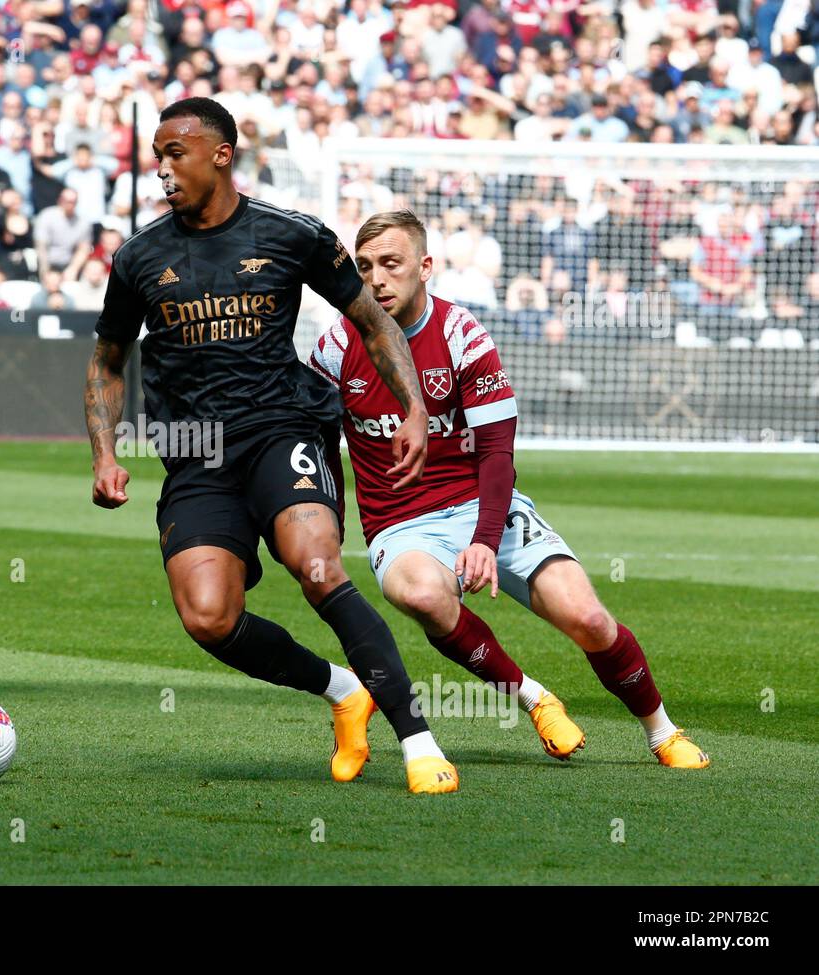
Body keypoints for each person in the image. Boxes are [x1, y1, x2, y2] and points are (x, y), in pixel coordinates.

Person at [83, 98, 458, 793]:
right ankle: (344, 690)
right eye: (157, 154)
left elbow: (374, 321)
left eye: (175, 152)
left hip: (280, 427)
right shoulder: (139, 256)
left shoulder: (292, 234)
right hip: (193, 450)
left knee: (316, 566)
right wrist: (106, 454)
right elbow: (107, 359)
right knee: (207, 616)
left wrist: (414, 407)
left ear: (221, 154)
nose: (162, 168)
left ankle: (419, 740)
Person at [308, 209, 709, 769]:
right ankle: (535, 698)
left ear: (424, 268)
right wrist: (327, 529)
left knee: (589, 619)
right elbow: (320, 451)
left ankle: (661, 731)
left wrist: (483, 539)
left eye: (391, 264)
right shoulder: (333, 349)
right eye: (366, 265)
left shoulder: (461, 334)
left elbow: (498, 454)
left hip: (482, 505)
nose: (376, 279)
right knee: (422, 595)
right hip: (400, 525)